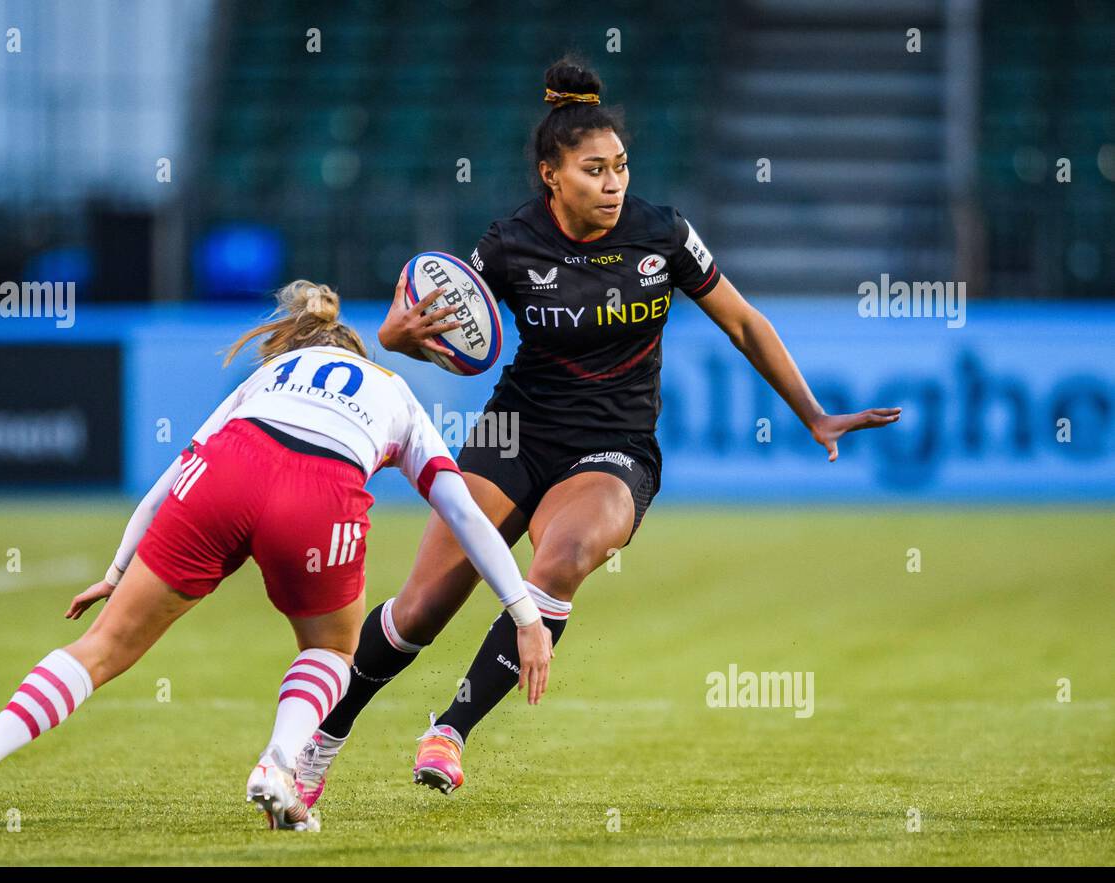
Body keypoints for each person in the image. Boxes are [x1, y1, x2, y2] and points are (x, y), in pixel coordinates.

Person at [293, 56, 901, 802]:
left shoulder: (663, 234)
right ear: (552, 174)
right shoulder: (510, 243)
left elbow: (743, 322)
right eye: (593, 170)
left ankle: (449, 730)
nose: (613, 185)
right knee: (420, 608)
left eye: (620, 167)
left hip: (614, 445)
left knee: (566, 555)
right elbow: (447, 337)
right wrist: (396, 336)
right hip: (516, 434)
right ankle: (324, 737)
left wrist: (812, 412)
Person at [0, 279, 551, 834]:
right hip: (317, 490)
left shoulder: (274, 374)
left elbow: (173, 473)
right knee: (330, 651)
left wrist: (117, 570)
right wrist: (522, 611)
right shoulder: (396, 393)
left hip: (227, 468)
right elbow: (460, 508)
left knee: (102, 647)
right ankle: (278, 764)